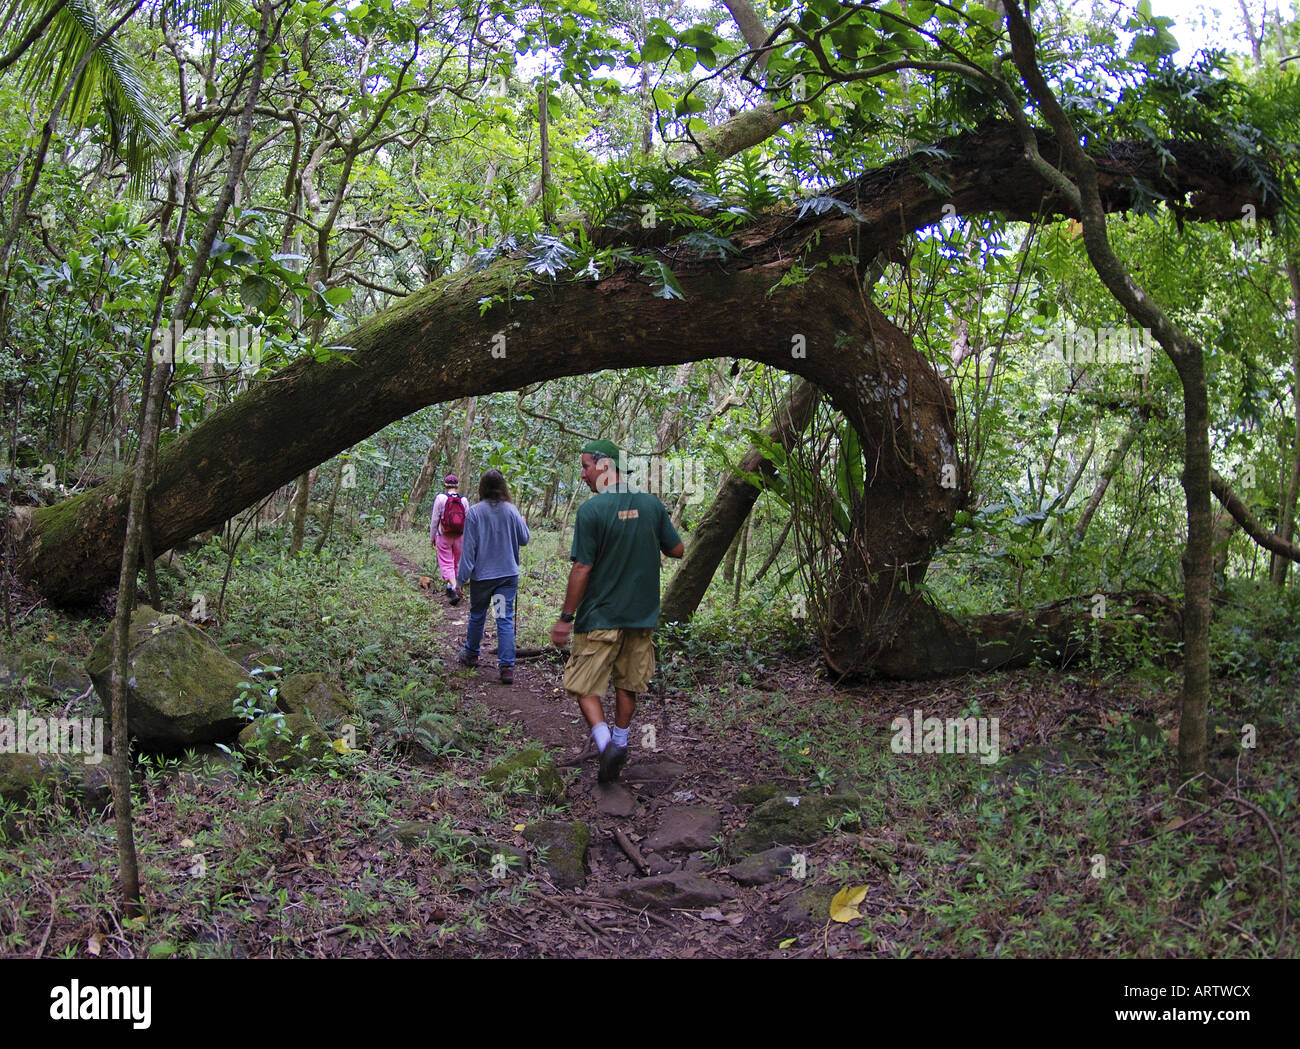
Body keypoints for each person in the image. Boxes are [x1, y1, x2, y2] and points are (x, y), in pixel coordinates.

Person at [550, 439, 684, 783]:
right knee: (629, 684)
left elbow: (582, 567)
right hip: (641, 617)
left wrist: (565, 618)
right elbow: (678, 550)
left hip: (599, 616)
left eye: (585, 466)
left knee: (583, 685)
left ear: (605, 466)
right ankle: (621, 743)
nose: (582, 474)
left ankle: (606, 742)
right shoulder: (651, 504)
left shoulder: (592, 511)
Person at [456, 469, 530, 685]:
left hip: (483, 578)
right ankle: (506, 666)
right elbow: (524, 539)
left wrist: (460, 580)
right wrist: (522, 522)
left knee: (478, 614)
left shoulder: (475, 513)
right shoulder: (511, 511)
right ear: (503, 487)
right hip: (506, 577)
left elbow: (468, 550)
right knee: (503, 617)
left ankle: (471, 654)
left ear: (482, 488)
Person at [429, 474, 466, 604]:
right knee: (457, 563)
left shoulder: (440, 498)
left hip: (444, 535)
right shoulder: (464, 500)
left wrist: (432, 537)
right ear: (457, 486)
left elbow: (435, 520)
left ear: (445, 485)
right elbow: (467, 520)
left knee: (446, 562)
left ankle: (454, 588)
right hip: (460, 536)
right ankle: (454, 587)